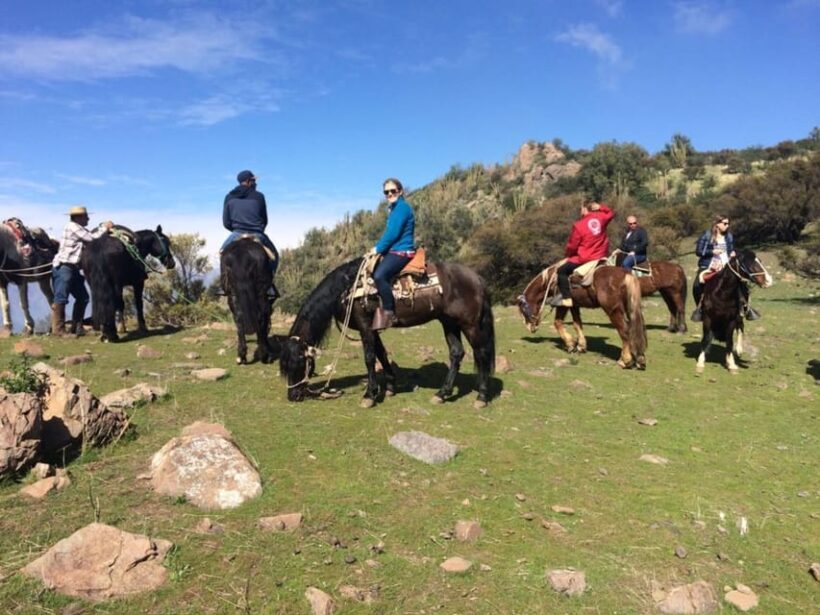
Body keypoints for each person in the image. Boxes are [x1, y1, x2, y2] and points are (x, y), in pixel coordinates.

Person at [51, 205, 113, 336]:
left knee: (83, 297)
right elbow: (92, 238)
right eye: (86, 216)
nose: (88, 219)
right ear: (78, 217)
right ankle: (59, 330)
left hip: (72, 268)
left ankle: (76, 327)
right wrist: (105, 227)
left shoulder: (78, 228)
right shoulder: (72, 227)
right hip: (64, 267)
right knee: (61, 297)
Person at [221, 170, 279, 300]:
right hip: (257, 233)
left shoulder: (229, 197)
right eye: (253, 180)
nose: (255, 183)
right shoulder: (259, 196)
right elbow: (264, 219)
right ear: (248, 181)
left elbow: (226, 222)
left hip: (236, 233)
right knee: (275, 257)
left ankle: (223, 286)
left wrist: (237, 230)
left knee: (222, 255)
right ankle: (270, 286)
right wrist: (257, 229)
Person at [690, 215, 760, 322]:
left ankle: (747, 308)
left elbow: (731, 250)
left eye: (728, 223)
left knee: (742, 284)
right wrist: (712, 252)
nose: (727, 226)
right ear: (717, 224)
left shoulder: (729, 237)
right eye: (725, 223)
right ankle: (700, 309)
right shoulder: (707, 235)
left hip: (726, 266)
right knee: (696, 286)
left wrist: (732, 253)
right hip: (708, 266)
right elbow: (698, 251)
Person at [369, 178, 415, 330]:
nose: (390, 194)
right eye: (386, 192)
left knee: (379, 276)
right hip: (394, 250)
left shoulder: (401, 208)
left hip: (402, 251)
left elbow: (393, 234)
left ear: (400, 191)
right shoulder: (395, 209)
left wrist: (377, 249)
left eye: (393, 191)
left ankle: (390, 312)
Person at [551, 198, 615, 307]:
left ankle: (567, 299)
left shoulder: (579, 225)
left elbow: (572, 245)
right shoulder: (601, 218)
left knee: (561, 271)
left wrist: (568, 255)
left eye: (581, 208)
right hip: (601, 256)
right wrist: (601, 207)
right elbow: (611, 213)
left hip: (585, 258)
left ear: (585, 209)